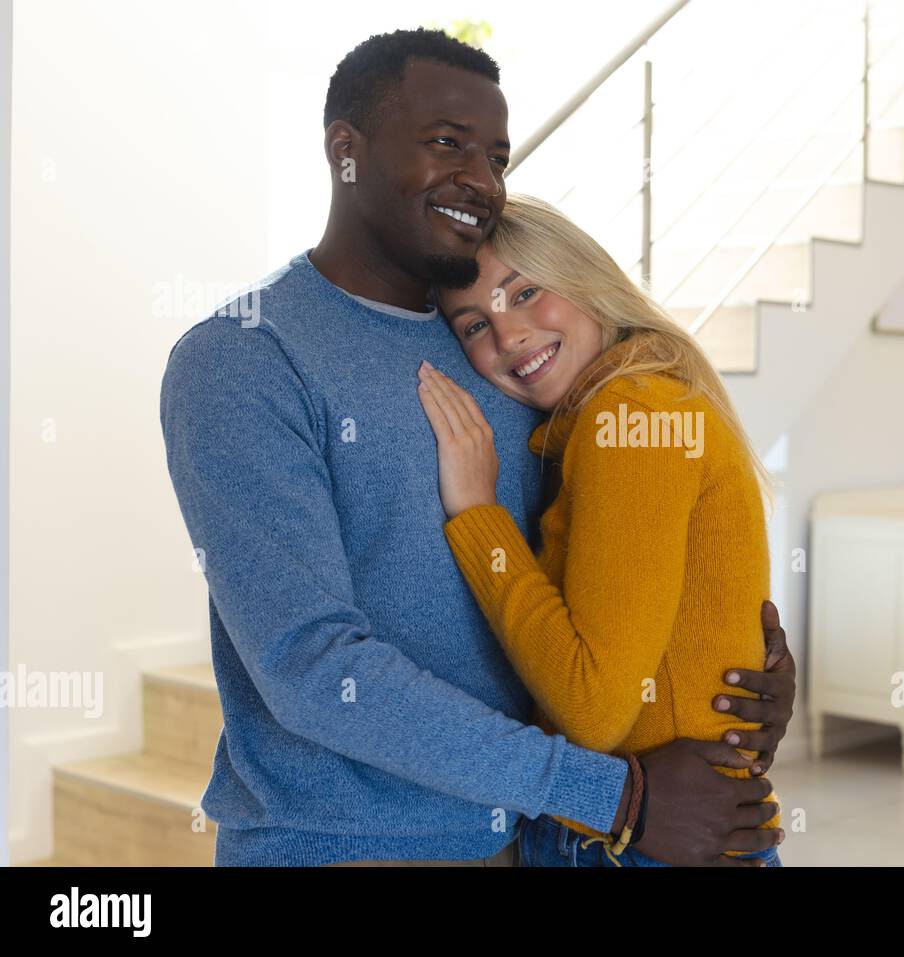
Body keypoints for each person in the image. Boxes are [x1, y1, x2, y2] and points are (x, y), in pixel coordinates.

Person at [159, 27, 793, 866]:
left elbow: (592, 578)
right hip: (345, 847)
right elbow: (311, 668)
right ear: (346, 152)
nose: (481, 180)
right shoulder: (244, 357)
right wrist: (615, 793)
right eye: (446, 143)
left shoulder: (506, 355)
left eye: (495, 157)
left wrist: (731, 676)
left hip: (529, 837)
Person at [417, 193, 783, 866]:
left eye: (525, 292)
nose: (509, 335)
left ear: (585, 276)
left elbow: (593, 708)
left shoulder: (630, 411)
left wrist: (478, 515)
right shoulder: (648, 398)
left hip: (634, 847)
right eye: (473, 325)